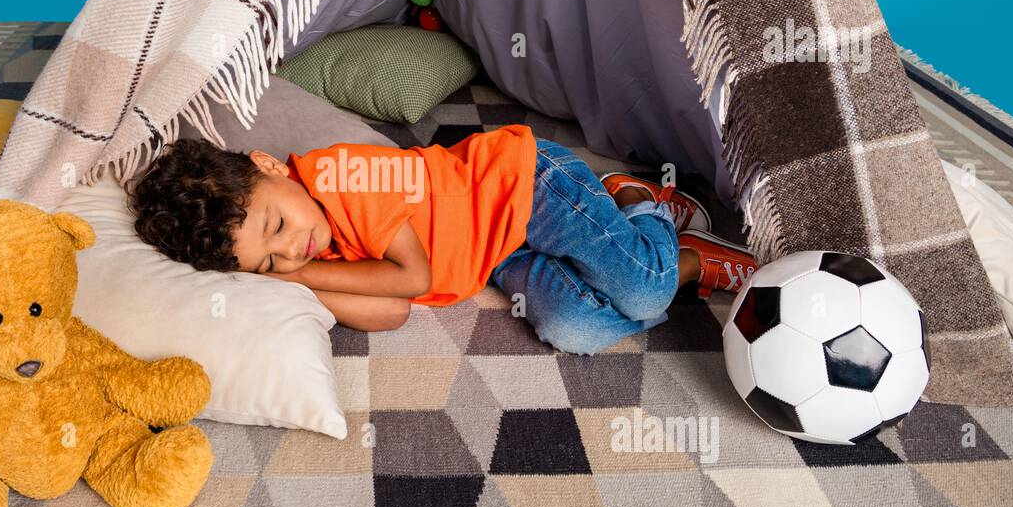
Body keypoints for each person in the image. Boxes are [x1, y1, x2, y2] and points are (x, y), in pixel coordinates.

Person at [128, 126, 756, 351]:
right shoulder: (313, 252)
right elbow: (392, 312)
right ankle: (679, 263)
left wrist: (296, 276)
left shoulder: (340, 176)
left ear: (269, 165)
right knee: (575, 330)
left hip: (526, 185)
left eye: (278, 227)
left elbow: (413, 280)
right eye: (270, 260)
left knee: (645, 293)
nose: (293, 251)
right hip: (497, 253)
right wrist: (293, 284)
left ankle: (640, 205)